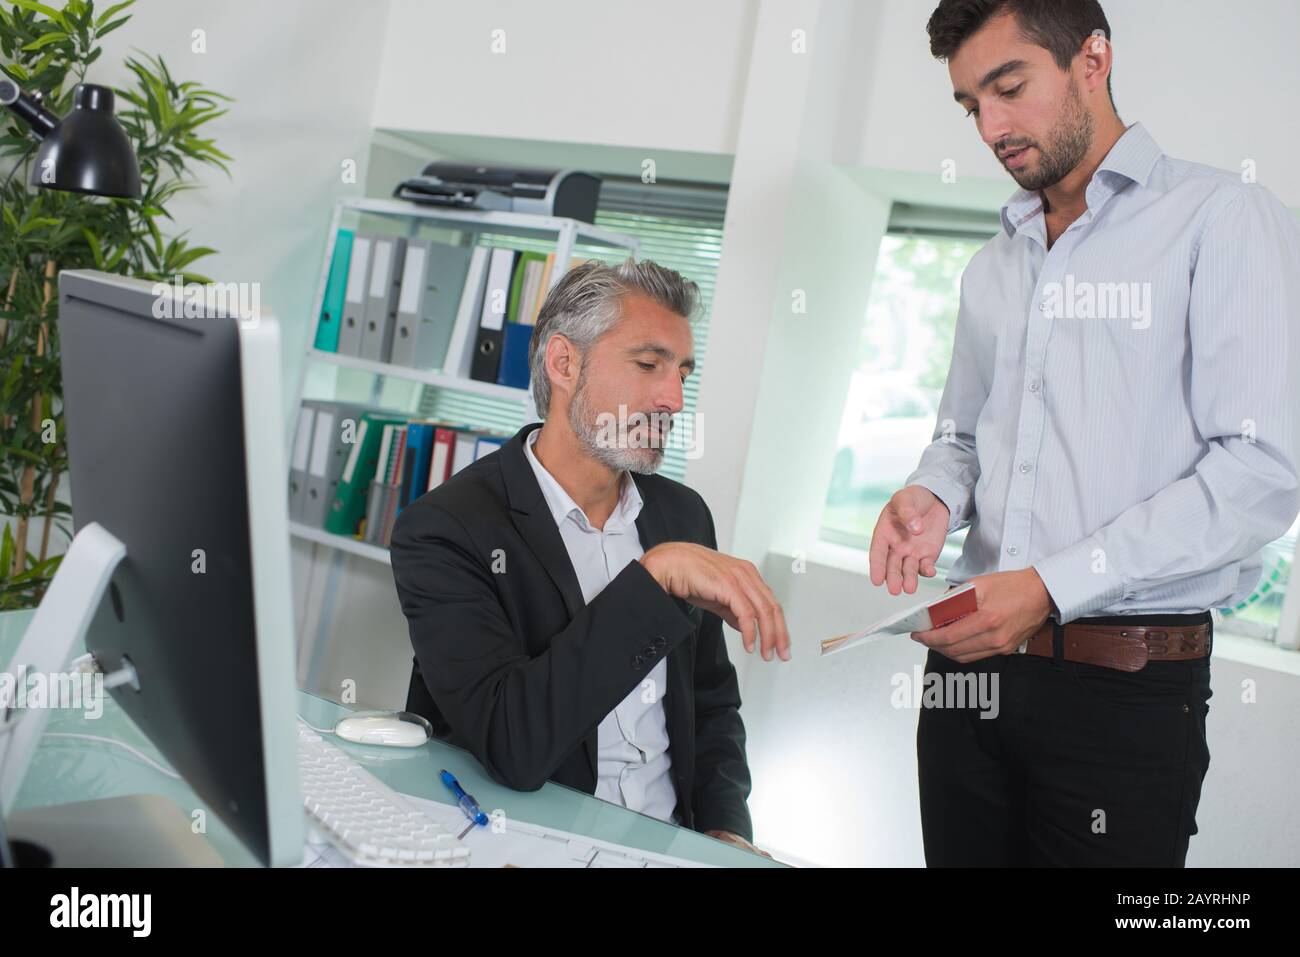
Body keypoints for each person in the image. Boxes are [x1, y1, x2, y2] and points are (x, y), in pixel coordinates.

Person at [869, 0, 1300, 865]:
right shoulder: (994, 264)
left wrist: (1054, 584)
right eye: (969, 106)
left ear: (1092, 61)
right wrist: (931, 493)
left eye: (1009, 87)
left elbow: (1261, 470)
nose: (990, 127)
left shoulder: (1221, 218)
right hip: (968, 677)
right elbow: (962, 435)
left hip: (1126, 689)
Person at [391, 258, 791, 856]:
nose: (674, 398)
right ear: (563, 363)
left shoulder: (682, 516)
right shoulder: (447, 529)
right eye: (648, 365)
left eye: (683, 371)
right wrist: (652, 581)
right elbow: (513, 745)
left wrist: (724, 833)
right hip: (525, 844)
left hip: (668, 843)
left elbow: (709, 703)